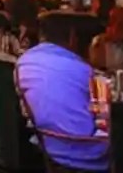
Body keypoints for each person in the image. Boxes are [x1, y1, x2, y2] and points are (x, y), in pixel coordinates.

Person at [17, 11, 110, 172]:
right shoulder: (92, 77)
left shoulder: (23, 63)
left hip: (50, 149)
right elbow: (104, 121)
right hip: (93, 157)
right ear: (73, 38)